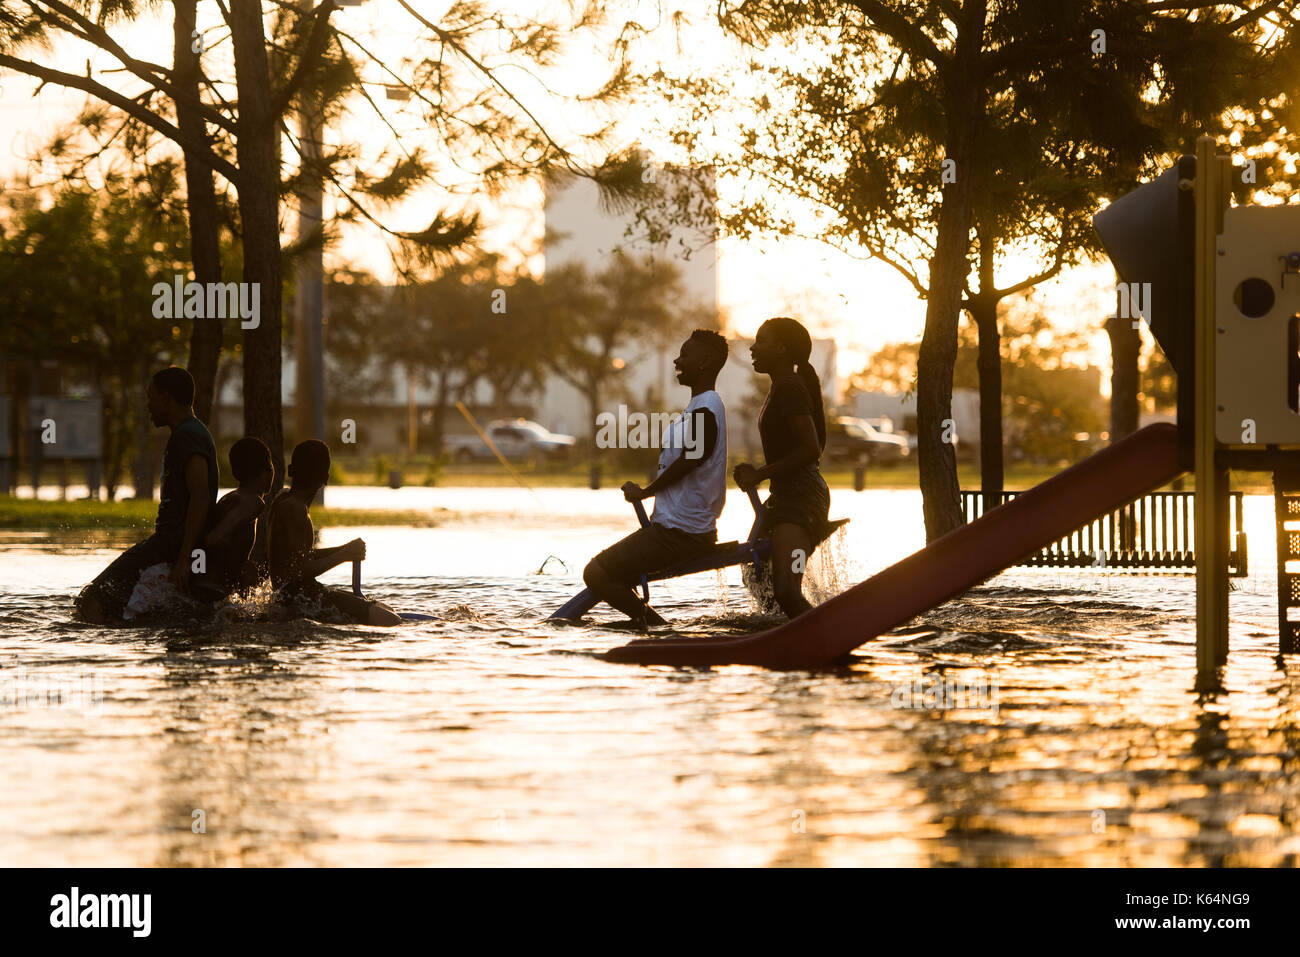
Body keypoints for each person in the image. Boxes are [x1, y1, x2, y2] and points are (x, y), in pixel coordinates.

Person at [573, 329, 729, 629]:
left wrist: (646, 492)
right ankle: (644, 625)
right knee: (609, 575)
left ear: (706, 361)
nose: (676, 360)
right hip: (673, 529)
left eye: (685, 354)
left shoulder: (707, 406)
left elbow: (692, 459)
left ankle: (655, 627)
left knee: (595, 573)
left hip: (682, 534)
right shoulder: (697, 407)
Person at [75, 367, 218, 624]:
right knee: (113, 603)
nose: (148, 405)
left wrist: (185, 558)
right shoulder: (185, 434)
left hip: (170, 545)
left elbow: (201, 497)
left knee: (93, 599)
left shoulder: (189, 436)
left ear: (167, 399)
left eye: (151, 397)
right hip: (168, 543)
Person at [732, 316, 830, 619]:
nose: (752, 347)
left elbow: (810, 449)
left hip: (801, 500)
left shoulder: (790, 387)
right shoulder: (781, 387)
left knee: (786, 590)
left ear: (783, 348)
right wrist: (759, 472)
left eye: (762, 341)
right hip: (784, 498)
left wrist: (759, 474)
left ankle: (825, 640)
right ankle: (783, 637)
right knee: (757, 576)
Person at [268, 439, 401, 626]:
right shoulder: (294, 509)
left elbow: (299, 557)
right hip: (298, 598)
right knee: (389, 619)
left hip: (299, 594)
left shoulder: (285, 499)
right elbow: (298, 570)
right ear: (326, 478)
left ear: (290, 471)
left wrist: (344, 549)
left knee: (387, 610)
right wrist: (344, 555)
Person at [197, 436, 274, 599]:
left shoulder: (230, 497)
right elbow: (214, 538)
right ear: (267, 470)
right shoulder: (253, 502)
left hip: (203, 584)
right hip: (213, 592)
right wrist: (241, 569)